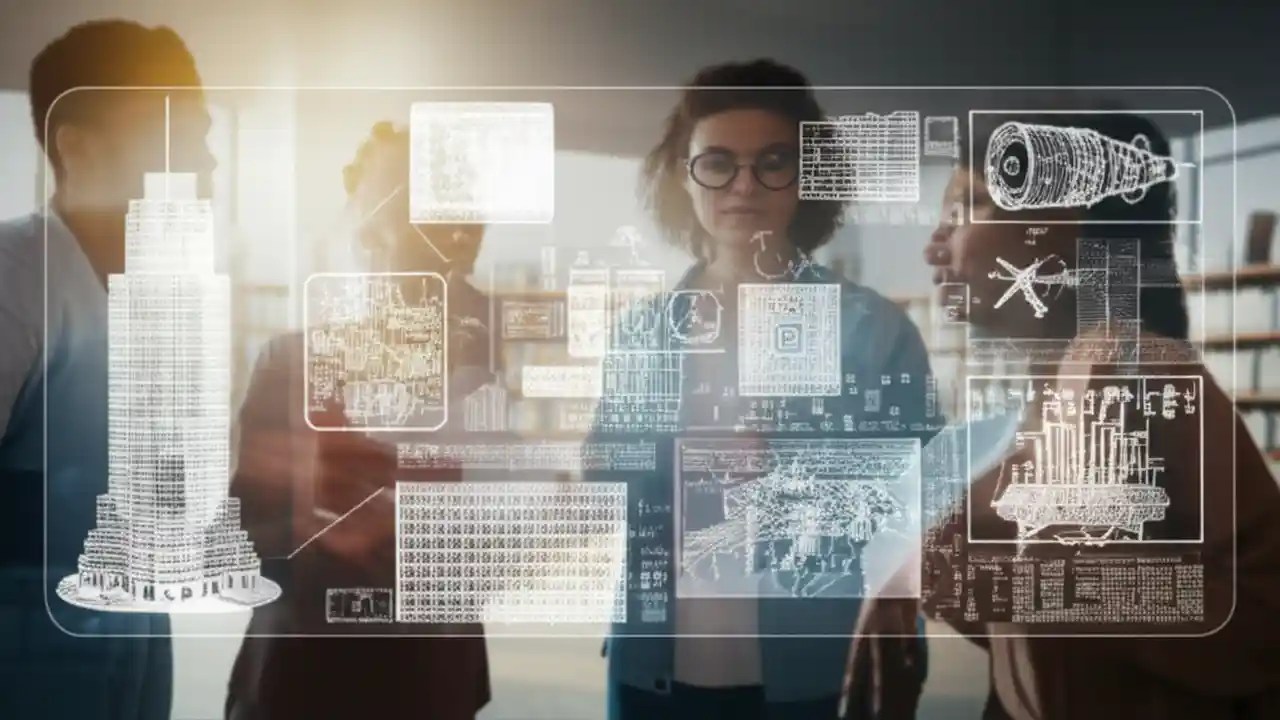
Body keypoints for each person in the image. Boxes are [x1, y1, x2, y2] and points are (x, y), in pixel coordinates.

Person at [843, 112, 1280, 719]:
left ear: (1056, 228)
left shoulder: (1141, 369)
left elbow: (1260, 617)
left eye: (969, 206)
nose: (935, 242)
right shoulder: (1056, 391)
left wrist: (1006, 580)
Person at [591, 59, 938, 720]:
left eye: (773, 161)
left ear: (807, 175)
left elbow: (927, 497)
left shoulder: (873, 331)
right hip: (655, 666)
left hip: (820, 669)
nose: (744, 185)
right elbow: (606, 473)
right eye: (717, 162)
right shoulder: (642, 332)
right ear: (682, 175)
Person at [224, 121, 495, 720]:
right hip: (298, 686)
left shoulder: (483, 373)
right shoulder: (292, 362)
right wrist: (323, 537)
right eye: (370, 200)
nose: (375, 223)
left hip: (428, 688)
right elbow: (245, 536)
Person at [0, 20, 214, 719]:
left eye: (203, 140)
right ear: (78, 147)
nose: (206, 165)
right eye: (176, 142)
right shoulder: (15, 278)